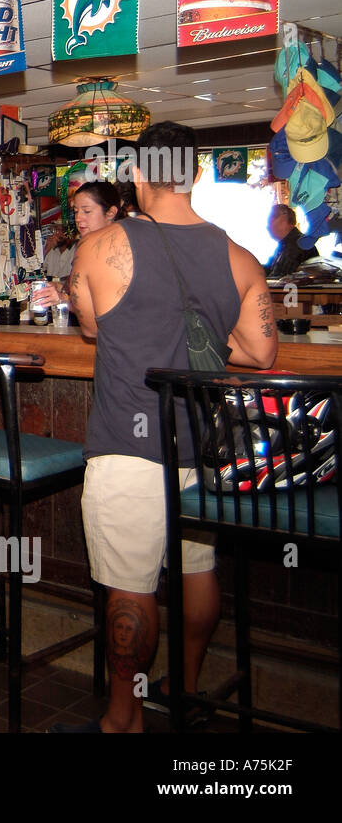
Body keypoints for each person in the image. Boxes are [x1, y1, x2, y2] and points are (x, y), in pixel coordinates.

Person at [57, 121, 277, 733]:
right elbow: (261, 353)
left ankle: (122, 719)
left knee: (130, 587)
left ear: (136, 173)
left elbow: (94, 329)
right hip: (202, 447)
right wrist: (198, 340)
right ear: (196, 173)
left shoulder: (100, 248)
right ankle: (182, 687)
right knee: (196, 567)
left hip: (128, 444)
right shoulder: (238, 255)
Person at [32, 179, 122, 309]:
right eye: (76, 211)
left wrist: (63, 300)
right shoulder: (90, 246)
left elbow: (105, 306)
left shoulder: (116, 250)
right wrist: (60, 286)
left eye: (87, 211)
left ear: (110, 213)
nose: (78, 218)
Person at [264, 203, 317, 279]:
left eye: (271, 219)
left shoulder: (298, 244)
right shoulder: (284, 245)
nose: (268, 226)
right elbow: (269, 269)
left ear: (284, 217)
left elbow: (281, 278)